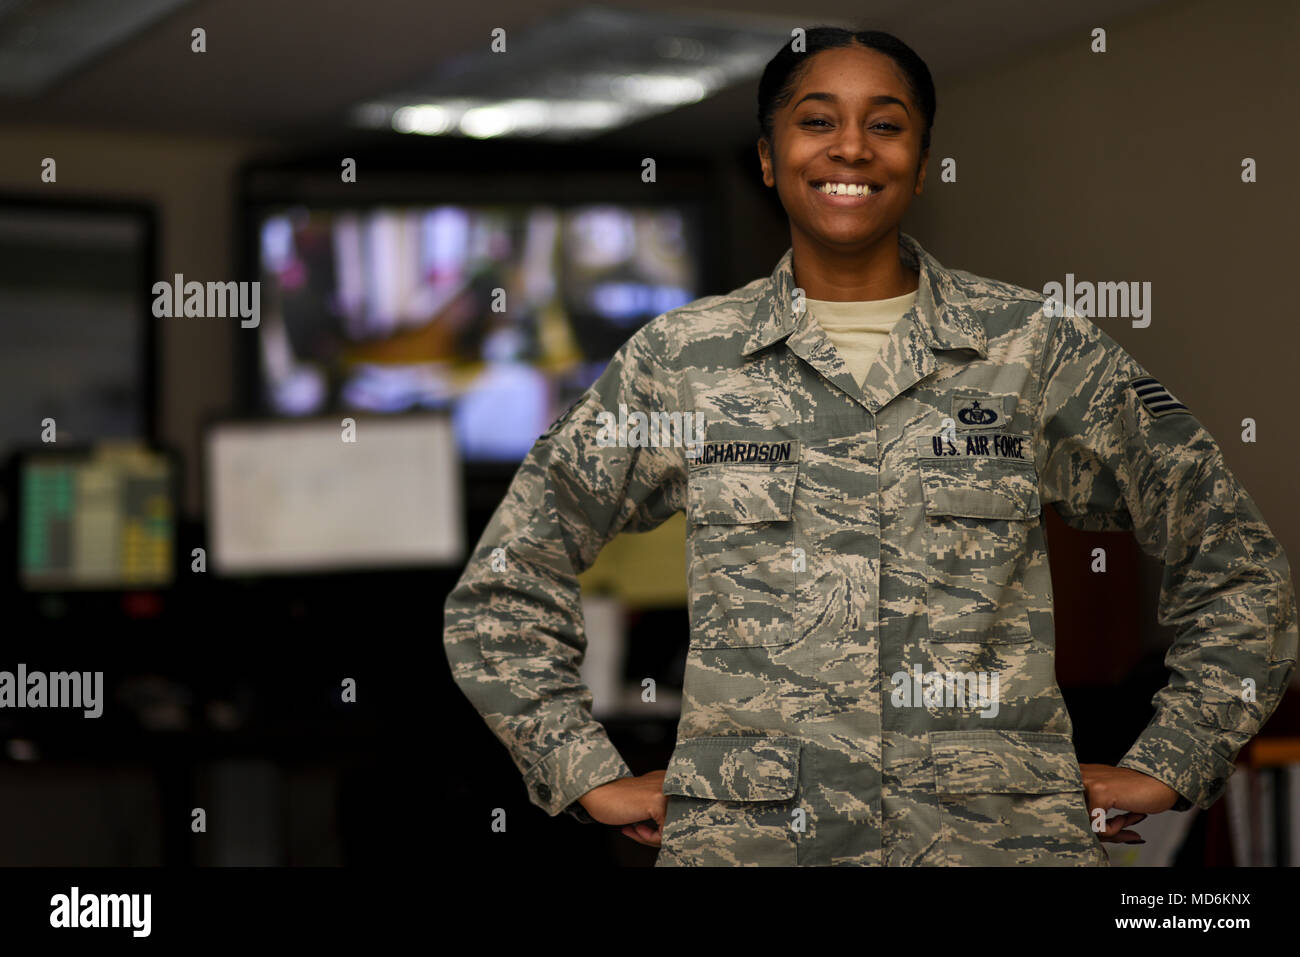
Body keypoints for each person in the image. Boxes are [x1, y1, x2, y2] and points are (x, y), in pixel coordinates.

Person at [442, 28, 1297, 866]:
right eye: (818, 121)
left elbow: (1239, 565)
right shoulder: (680, 361)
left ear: (922, 165)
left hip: (994, 843)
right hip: (755, 846)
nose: (851, 147)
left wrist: (1171, 759)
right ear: (770, 158)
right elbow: (503, 587)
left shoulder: (1035, 349)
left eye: (885, 125)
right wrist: (584, 770)